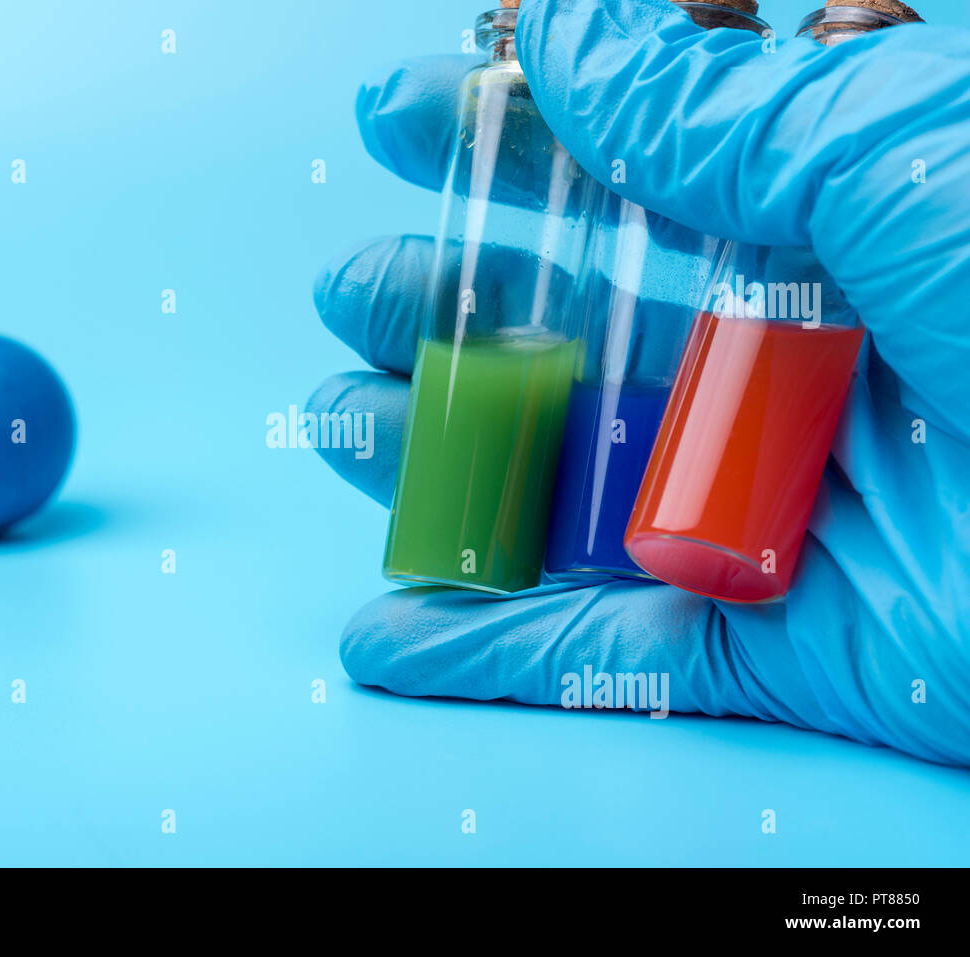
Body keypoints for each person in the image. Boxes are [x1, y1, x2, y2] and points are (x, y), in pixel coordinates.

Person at [307, 0, 970, 766]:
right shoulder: (505, 99)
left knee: (633, 333)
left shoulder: (823, 153)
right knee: (579, 321)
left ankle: (616, 533)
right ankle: (510, 542)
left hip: (727, 509)